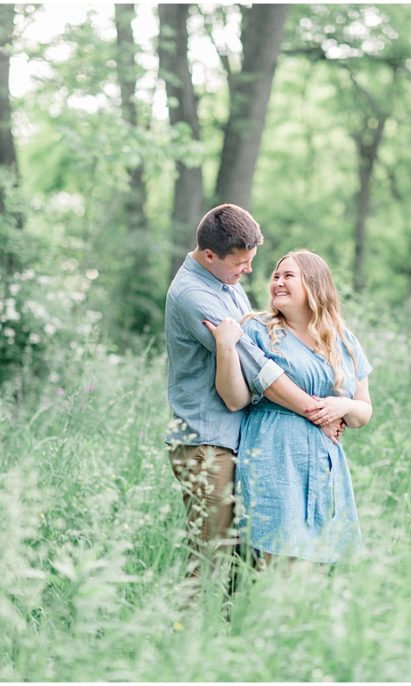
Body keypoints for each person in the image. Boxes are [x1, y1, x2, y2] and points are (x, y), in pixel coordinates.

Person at [164, 205, 345, 584]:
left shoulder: (225, 281)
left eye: (250, 261)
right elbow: (257, 366)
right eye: (241, 263)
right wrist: (317, 412)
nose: (248, 271)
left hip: (237, 443)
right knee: (210, 563)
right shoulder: (194, 295)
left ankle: (231, 639)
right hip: (207, 445)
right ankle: (191, 639)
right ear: (210, 256)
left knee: (238, 569)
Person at [203, 249, 372, 565]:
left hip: (325, 465)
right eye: (276, 276)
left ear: (314, 285)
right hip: (274, 455)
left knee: (320, 567)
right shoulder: (258, 329)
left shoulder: (344, 341)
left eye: (288, 276)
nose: (278, 283)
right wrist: (226, 347)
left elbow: (363, 412)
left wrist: (341, 405)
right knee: (277, 564)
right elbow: (233, 396)